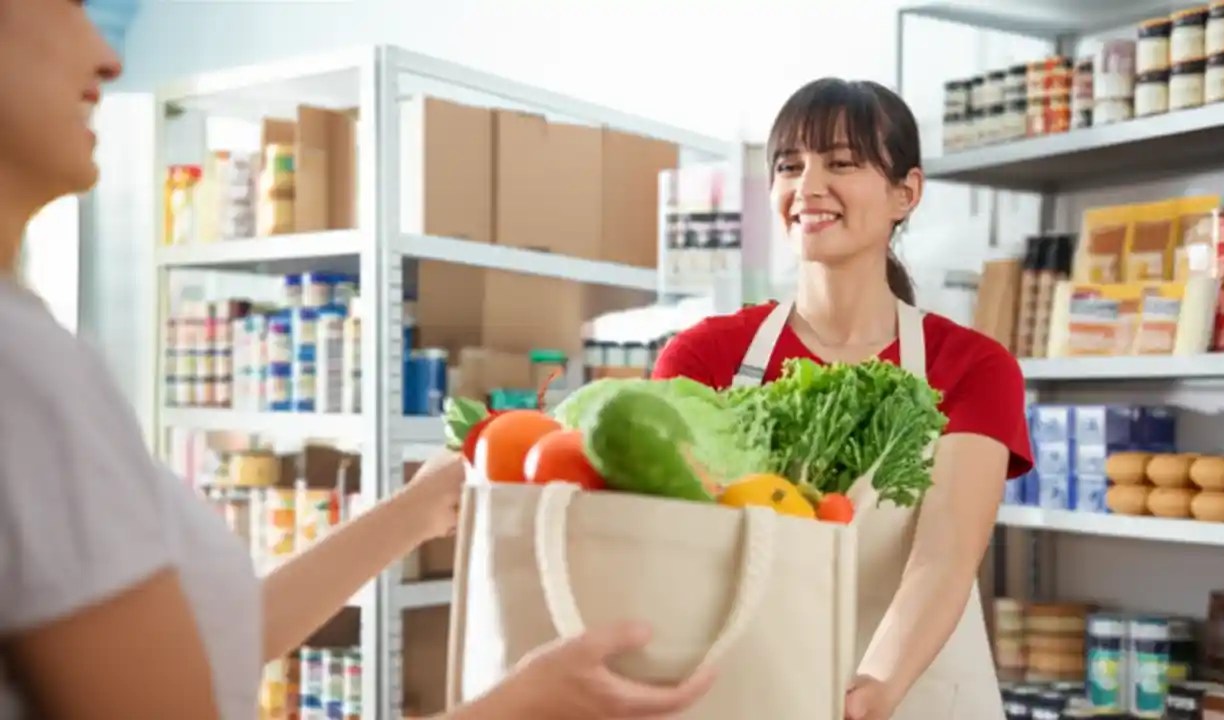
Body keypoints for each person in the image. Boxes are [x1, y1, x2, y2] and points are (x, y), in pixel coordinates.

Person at [0, 1, 712, 718]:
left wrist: (412, 512)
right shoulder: (25, 368)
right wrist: (516, 708)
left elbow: (207, 647)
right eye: (63, 4)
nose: (110, 57)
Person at [652, 77, 1033, 720]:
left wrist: (873, 690)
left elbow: (942, 556)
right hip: (742, 690)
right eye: (789, 166)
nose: (808, 187)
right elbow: (672, 549)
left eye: (842, 163)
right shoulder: (703, 358)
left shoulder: (971, 366)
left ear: (905, 193)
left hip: (913, 690)